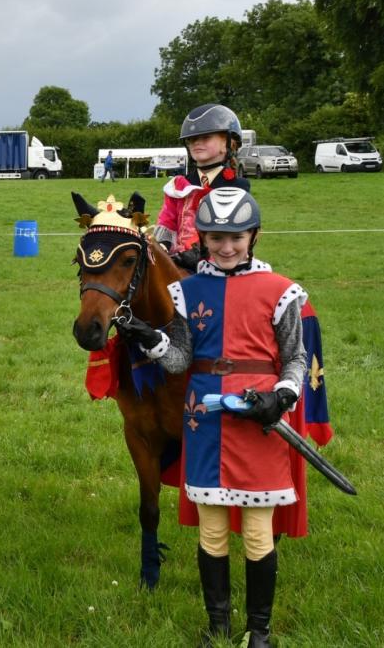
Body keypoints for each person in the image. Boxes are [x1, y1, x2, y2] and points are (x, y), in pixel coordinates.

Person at [115, 187, 306, 648]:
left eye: (236, 237)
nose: (225, 246)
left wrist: (280, 397)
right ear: (202, 238)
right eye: (216, 237)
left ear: (253, 236)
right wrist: (150, 338)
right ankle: (217, 626)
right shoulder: (185, 292)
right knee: (212, 528)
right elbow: (181, 359)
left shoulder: (281, 291)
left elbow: (295, 359)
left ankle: (258, 632)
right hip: (204, 420)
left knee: (258, 532)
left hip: (258, 422)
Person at [154, 104, 251, 271]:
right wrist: (161, 247)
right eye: (191, 139)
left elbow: (233, 231)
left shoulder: (237, 186)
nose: (196, 143)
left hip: (222, 264)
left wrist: (200, 252)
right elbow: (167, 221)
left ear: (226, 144)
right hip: (178, 263)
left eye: (205, 137)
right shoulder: (177, 186)